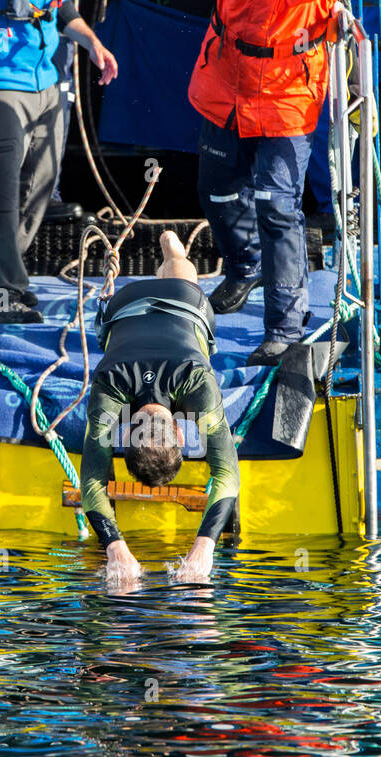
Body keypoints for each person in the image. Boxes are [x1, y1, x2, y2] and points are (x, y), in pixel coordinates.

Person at [80, 231, 240, 583]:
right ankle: (172, 252)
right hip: (124, 303)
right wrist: (203, 546)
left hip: (178, 301)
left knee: (182, 277)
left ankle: (174, 257)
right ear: (180, 431)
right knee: (179, 274)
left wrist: (116, 547)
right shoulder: (110, 387)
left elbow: (92, 483)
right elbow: (227, 479)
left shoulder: (196, 383)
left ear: (181, 433)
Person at [188, 1, 336, 364]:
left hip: (289, 90)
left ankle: (284, 331)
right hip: (228, 78)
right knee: (215, 190)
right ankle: (245, 268)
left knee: (276, 207)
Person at [0, 2, 118, 323]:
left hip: (46, 85)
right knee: (0, 201)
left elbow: (65, 11)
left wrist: (93, 43)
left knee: (40, 188)